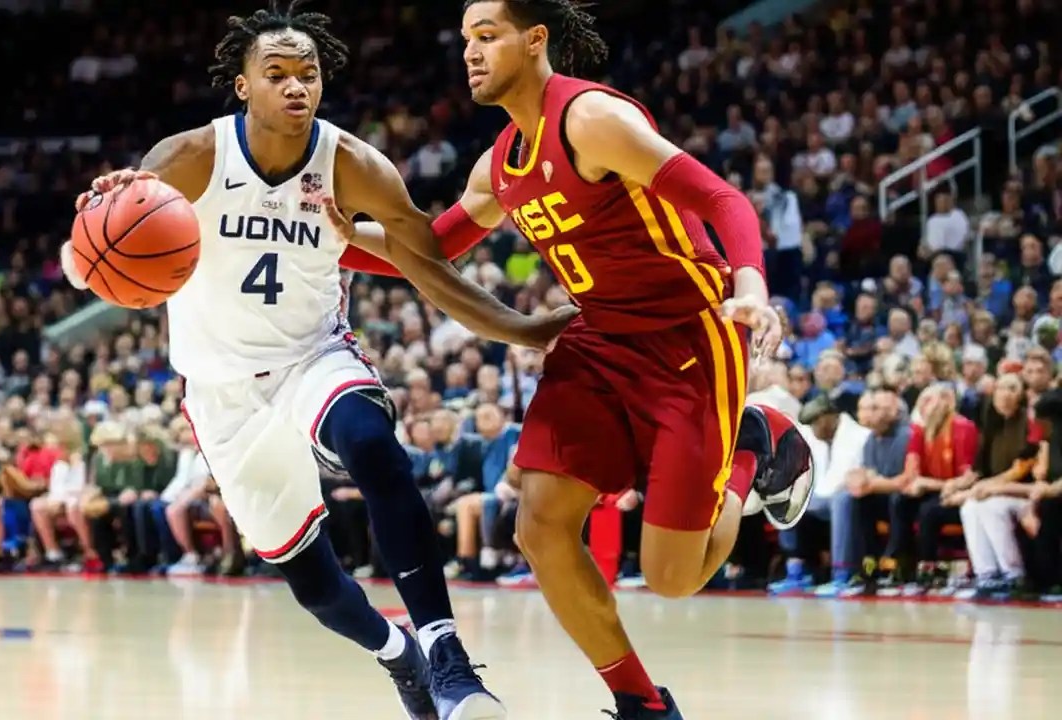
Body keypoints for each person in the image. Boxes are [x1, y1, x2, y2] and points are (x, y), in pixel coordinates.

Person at [61, 3, 575, 717]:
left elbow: (433, 271)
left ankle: (447, 652)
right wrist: (91, 232)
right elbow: (99, 253)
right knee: (313, 584)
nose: (296, 86)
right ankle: (401, 656)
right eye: (277, 74)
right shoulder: (190, 158)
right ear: (243, 86)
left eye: (309, 74)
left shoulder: (356, 166)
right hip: (222, 392)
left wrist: (524, 330)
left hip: (313, 358)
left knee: (374, 447)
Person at [335, 2, 814, 717]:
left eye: (487, 36)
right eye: (465, 39)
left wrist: (750, 285)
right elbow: (429, 251)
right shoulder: (497, 164)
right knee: (540, 523)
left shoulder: (591, 120)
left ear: (536, 40)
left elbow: (723, 199)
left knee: (672, 577)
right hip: (596, 341)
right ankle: (642, 703)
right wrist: (327, 238)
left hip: (687, 338)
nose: (470, 52)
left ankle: (757, 444)